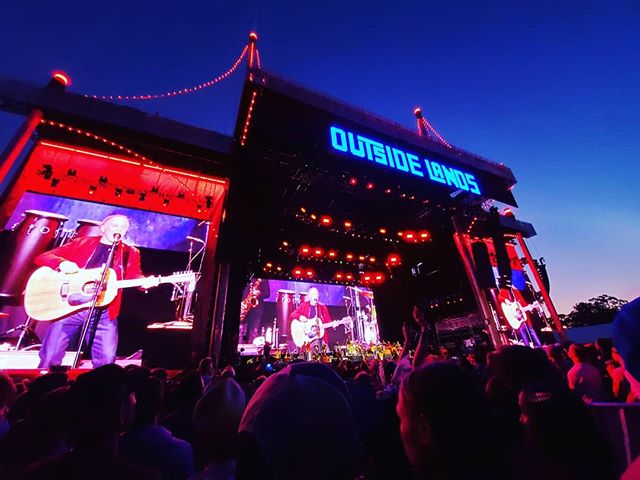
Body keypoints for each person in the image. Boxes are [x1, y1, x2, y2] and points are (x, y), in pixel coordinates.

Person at [34, 214, 158, 369]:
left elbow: (134, 275)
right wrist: (62, 264)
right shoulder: (82, 243)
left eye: (123, 227)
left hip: (104, 310)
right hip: (71, 307)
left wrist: (144, 282)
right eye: (115, 225)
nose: (119, 229)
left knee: (106, 359)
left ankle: (101, 383)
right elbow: (43, 257)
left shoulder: (130, 252)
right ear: (103, 228)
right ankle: (45, 383)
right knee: (51, 355)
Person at [288, 287, 332, 351]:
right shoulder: (304, 305)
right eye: (313, 294)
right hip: (308, 340)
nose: (315, 296)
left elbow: (328, 321)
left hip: (321, 339)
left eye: (316, 294)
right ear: (309, 296)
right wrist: (300, 317)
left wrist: (333, 324)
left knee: (327, 354)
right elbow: (292, 315)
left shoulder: (323, 307)